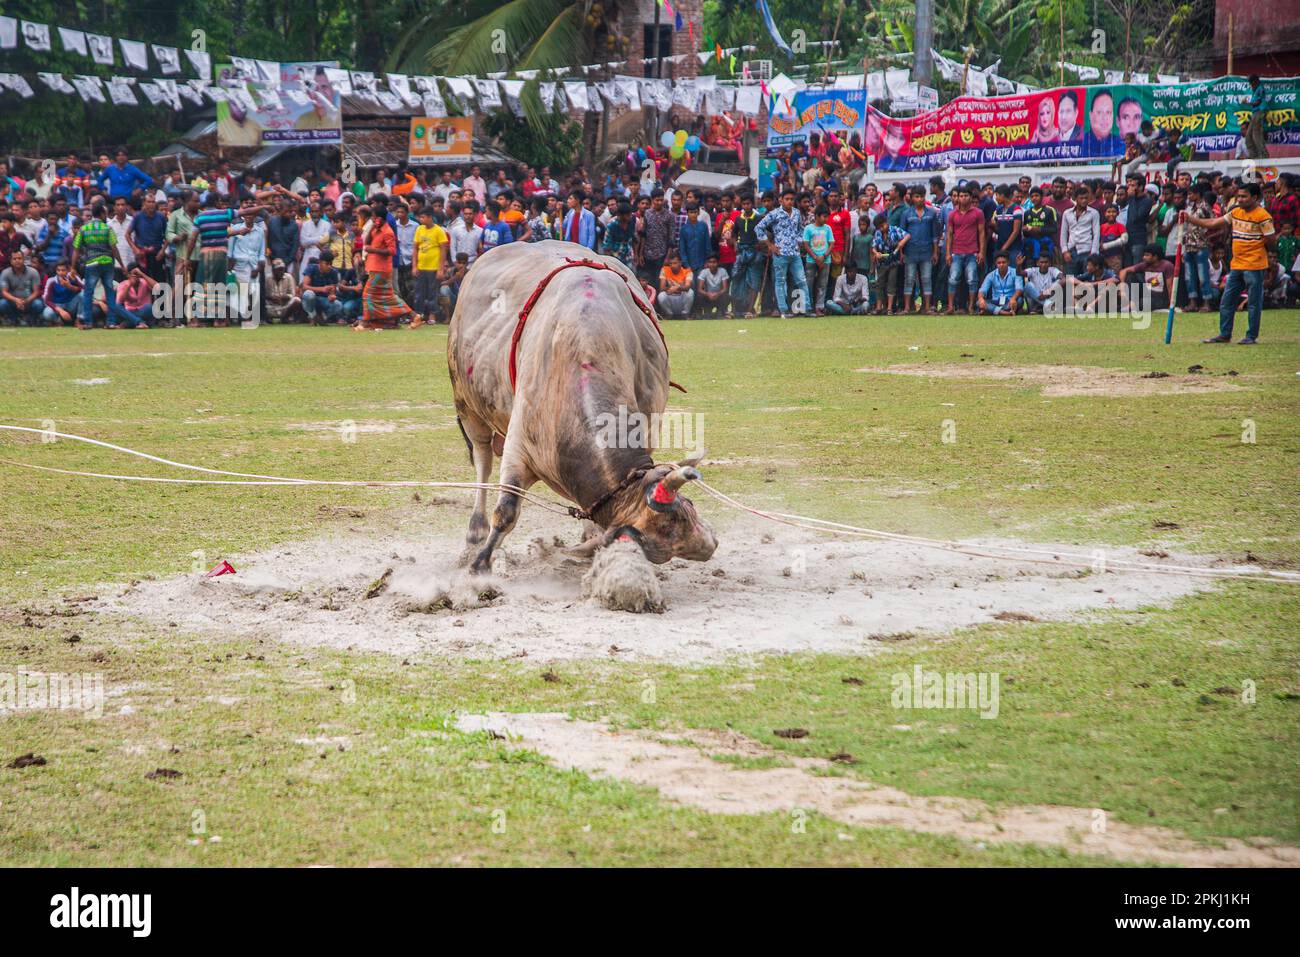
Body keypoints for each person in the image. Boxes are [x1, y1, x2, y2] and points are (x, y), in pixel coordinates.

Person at [1186, 181, 1276, 344]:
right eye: (1238, 196)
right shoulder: (1235, 212)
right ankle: (1224, 334)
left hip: (1255, 266)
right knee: (1227, 301)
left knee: (1254, 303)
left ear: (1255, 197)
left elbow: (1271, 241)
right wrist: (1191, 219)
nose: (1240, 199)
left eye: (1244, 196)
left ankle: (1250, 336)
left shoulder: (1263, 216)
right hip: (1237, 265)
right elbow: (1213, 223)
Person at [71, 205, 134, 329]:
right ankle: (110, 322)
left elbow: (76, 249)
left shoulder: (84, 229)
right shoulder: (107, 228)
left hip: (91, 263)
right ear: (101, 214)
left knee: (88, 293)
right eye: (105, 213)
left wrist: (73, 267)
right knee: (110, 293)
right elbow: (114, 248)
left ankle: (88, 322)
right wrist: (121, 265)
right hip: (107, 263)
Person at [355, 201, 414, 330]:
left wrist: (374, 250)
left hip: (381, 269)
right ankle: (414, 316)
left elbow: (392, 251)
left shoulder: (388, 232)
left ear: (380, 218)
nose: (372, 219)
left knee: (367, 295)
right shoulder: (376, 230)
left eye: (374, 217)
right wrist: (373, 227)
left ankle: (366, 322)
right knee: (388, 296)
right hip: (374, 267)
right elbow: (366, 242)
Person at [755, 189, 811, 319]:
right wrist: (770, 245)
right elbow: (758, 227)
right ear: (781, 200)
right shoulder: (774, 214)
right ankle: (784, 310)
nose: (790, 201)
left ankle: (807, 308)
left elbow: (800, 229)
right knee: (780, 282)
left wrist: (799, 241)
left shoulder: (796, 213)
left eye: (792, 199)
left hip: (795, 253)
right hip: (780, 253)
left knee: (802, 280)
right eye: (787, 199)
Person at [945, 185, 985, 314]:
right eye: (961, 196)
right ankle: (951, 307)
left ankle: (971, 307)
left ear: (970, 197)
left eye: (966, 196)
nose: (963, 198)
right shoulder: (952, 214)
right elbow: (949, 234)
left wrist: (981, 252)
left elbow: (982, 233)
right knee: (952, 279)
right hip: (956, 252)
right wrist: (947, 253)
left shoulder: (978, 213)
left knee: (972, 279)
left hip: (972, 252)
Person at [900, 187, 940, 314]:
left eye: (922, 196)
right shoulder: (906, 214)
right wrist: (901, 253)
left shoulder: (931, 213)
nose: (920, 199)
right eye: (917, 196)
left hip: (927, 251)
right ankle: (907, 308)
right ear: (912, 198)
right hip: (910, 251)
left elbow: (935, 235)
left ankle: (927, 308)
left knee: (927, 279)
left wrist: (935, 252)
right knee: (909, 279)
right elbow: (901, 234)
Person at [727, 194, 766, 318]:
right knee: (736, 279)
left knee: (753, 282)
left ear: (752, 205)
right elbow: (733, 234)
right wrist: (734, 246)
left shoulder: (758, 218)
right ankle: (733, 310)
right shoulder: (738, 219)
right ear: (742, 206)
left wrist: (762, 245)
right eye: (744, 204)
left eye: (748, 204)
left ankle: (749, 310)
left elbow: (766, 233)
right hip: (741, 251)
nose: (746, 206)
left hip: (755, 252)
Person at [412, 207, 450, 325]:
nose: (421, 219)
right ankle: (419, 315)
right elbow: (415, 248)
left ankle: (432, 314)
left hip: (433, 267)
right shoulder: (419, 229)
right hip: (421, 266)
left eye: (423, 217)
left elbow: (443, 250)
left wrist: (441, 269)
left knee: (432, 293)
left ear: (429, 217)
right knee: (419, 293)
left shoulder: (439, 231)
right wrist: (414, 266)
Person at [870, 213, 908, 315]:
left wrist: (901, 244)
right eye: (880, 227)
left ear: (886, 223)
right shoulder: (878, 233)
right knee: (879, 284)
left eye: (883, 226)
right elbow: (873, 246)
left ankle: (889, 308)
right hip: (881, 262)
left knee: (891, 283)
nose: (882, 229)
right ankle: (879, 307)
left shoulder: (894, 230)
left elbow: (908, 235)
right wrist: (876, 253)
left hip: (893, 261)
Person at [801, 206, 834, 314]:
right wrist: (815, 257)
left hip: (825, 260)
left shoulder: (828, 228)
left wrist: (823, 256)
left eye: (827, 217)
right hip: (811, 260)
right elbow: (806, 244)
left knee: (822, 284)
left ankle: (819, 306)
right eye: (824, 217)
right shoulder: (808, 228)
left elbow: (831, 244)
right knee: (809, 284)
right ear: (816, 216)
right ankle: (808, 306)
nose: (826, 219)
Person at [0, 249, 44, 325]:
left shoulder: (33, 272)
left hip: (29, 302)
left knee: (38, 304)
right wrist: (16, 300)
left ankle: (31, 319)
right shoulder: (5, 273)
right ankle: (13, 319)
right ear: (11, 261)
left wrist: (25, 301)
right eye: (14, 259)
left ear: (24, 260)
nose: (17, 260)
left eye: (19, 258)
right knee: (2, 304)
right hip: (12, 302)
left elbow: (36, 292)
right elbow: (4, 292)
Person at [41, 261, 83, 326]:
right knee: (47, 313)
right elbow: (46, 300)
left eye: (63, 270)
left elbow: (84, 289)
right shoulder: (51, 281)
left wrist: (70, 286)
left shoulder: (73, 277)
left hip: (71, 305)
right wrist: (61, 311)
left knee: (83, 294)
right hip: (57, 305)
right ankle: (58, 321)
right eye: (58, 270)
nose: (61, 272)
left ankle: (78, 320)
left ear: (68, 270)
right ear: (56, 271)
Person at [657, 250, 695, 318]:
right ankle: (669, 314)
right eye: (670, 263)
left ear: (680, 263)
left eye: (675, 263)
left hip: (682, 299)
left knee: (690, 293)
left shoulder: (687, 271)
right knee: (661, 295)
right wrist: (673, 289)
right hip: (671, 298)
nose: (672, 265)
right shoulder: (664, 269)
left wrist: (677, 287)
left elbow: (687, 287)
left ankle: (685, 314)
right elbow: (662, 288)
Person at [263, 258, 300, 323]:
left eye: (283, 269)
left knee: (297, 300)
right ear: (273, 270)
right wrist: (271, 298)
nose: (281, 272)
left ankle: (285, 318)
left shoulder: (289, 277)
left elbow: (292, 294)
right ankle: (267, 318)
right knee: (259, 302)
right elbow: (264, 295)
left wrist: (284, 297)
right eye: (279, 270)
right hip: (271, 305)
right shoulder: (267, 278)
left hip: (285, 305)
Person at [678, 204, 710, 274]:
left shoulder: (703, 226)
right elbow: (682, 248)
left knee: (701, 283)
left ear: (698, 213)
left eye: (695, 212)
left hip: (702, 263)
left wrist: (707, 261)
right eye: (691, 212)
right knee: (691, 284)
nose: (693, 215)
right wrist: (686, 264)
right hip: (689, 263)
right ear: (687, 213)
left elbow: (707, 244)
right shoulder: (684, 229)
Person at [1245, 75, 1269, 159]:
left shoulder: (1260, 89)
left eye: (1251, 84)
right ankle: (1253, 155)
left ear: (1254, 82)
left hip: (1259, 112)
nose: (1251, 86)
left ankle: (1263, 154)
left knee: (1256, 134)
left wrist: (1247, 103)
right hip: (1254, 113)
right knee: (1248, 136)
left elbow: (1258, 102)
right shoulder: (1255, 91)